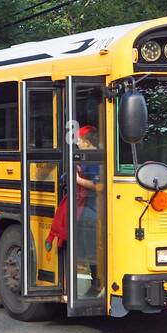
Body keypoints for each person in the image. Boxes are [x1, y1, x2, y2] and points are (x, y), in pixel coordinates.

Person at [73, 125, 103, 298]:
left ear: (86, 142)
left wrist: (77, 180)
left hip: (93, 207)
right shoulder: (86, 157)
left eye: (79, 140)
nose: (76, 143)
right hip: (87, 204)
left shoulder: (94, 159)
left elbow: (100, 185)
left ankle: (96, 282)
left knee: (90, 243)